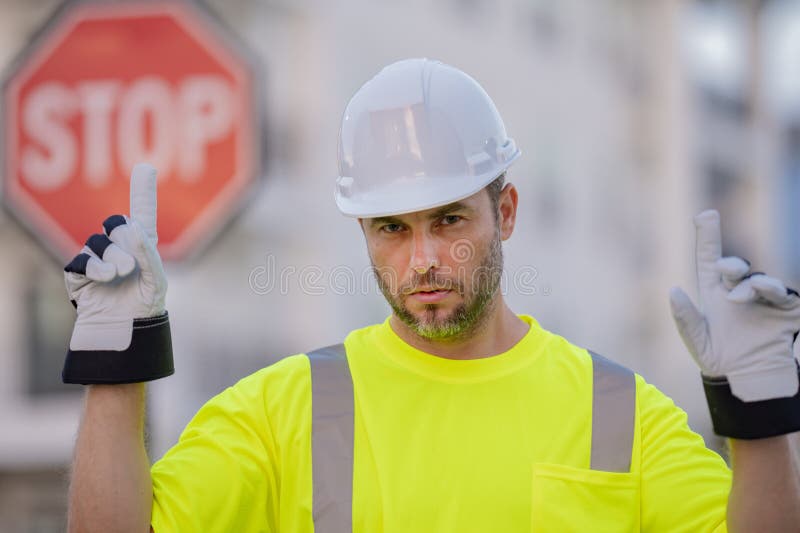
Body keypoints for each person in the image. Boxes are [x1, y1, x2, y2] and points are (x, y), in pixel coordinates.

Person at [63, 59, 800, 532]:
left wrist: (761, 419)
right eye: (390, 227)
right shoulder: (282, 410)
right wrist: (114, 368)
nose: (422, 260)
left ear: (503, 213)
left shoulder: (620, 412)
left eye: (449, 219)